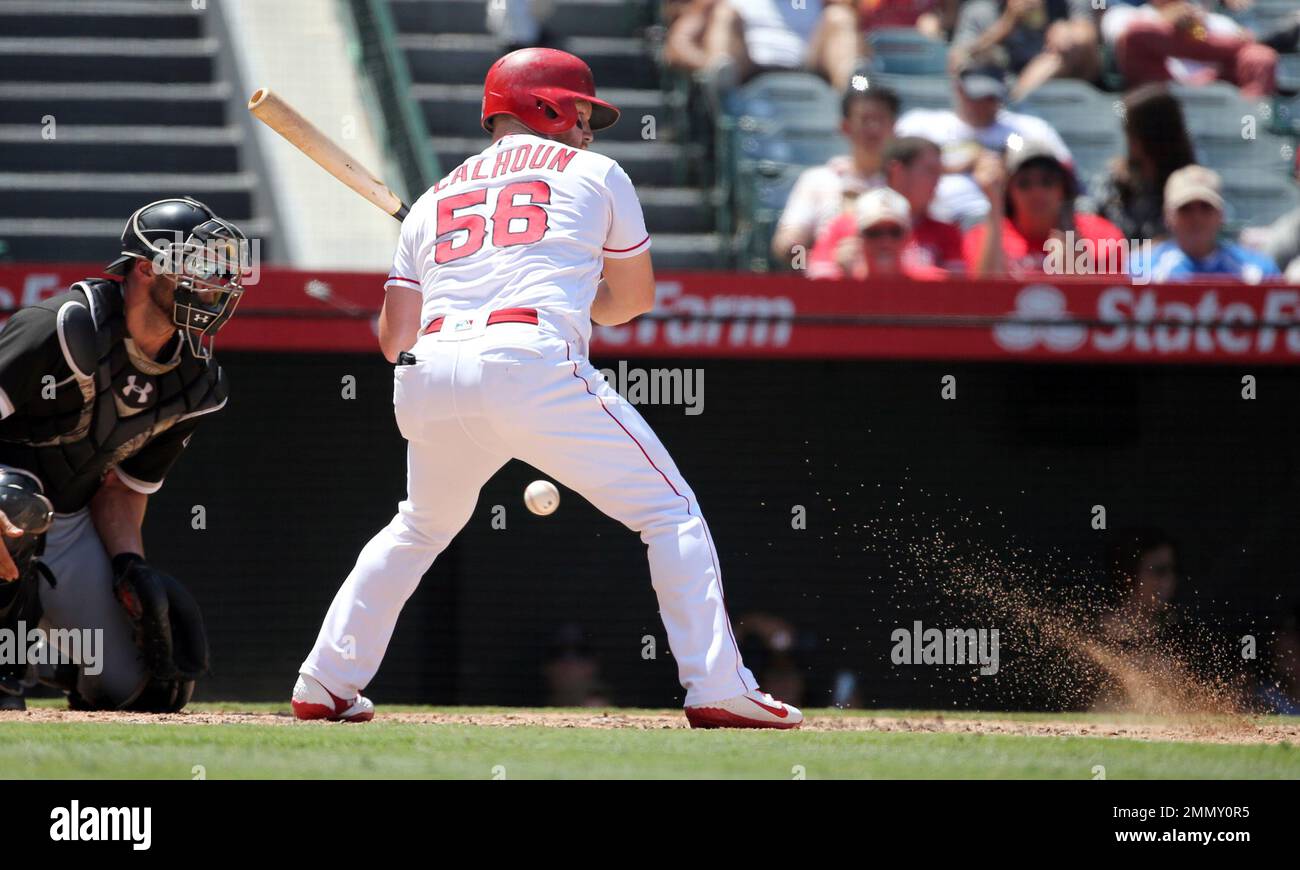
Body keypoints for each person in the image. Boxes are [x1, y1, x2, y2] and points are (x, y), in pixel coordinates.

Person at [293, 48, 802, 730]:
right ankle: (715, 685)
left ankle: (325, 680)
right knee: (669, 512)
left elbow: (392, 342)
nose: (589, 130)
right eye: (583, 112)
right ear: (546, 106)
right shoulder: (598, 174)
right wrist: (567, 278)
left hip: (429, 376)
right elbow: (631, 302)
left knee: (419, 525)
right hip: (528, 360)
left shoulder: (436, 197)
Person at [0, 197, 244, 712]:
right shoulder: (62, 327)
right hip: (9, 499)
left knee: (151, 688)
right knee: (17, 503)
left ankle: (45, 658)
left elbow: (122, 491)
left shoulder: (195, 381)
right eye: (197, 267)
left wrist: (131, 567)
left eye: (218, 270)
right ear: (145, 267)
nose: (213, 283)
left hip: (62, 523)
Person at [895, 61, 1073, 228]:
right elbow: (890, 172)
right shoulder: (921, 125)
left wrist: (1009, 168)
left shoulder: (1026, 129)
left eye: (991, 97)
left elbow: (1065, 173)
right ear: (959, 90)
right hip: (937, 219)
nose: (983, 104)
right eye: (977, 95)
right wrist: (959, 165)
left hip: (1009, 223)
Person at [771, 79, 900, 266]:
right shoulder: (818, 180)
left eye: (881, 119)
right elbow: (789, 243)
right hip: (827, 289)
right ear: (845, 127)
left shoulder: (905, 182)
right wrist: (811, 264)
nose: (873, 129)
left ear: (894, 127)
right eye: (865, 120)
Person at [808, 136, 964, 279]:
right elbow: (809, 277)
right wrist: (841, 272)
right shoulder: (843, 226)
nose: (885, 241)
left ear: (907, 236)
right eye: (873, 233)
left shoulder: (947, 232)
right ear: (897, 171)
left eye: (895, 233)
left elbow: (959, 292)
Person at [965, 138, 1125, 277]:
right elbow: (985, 294)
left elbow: (1107, 301)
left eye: (1047, 181)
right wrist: (995, 203)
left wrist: (1078, 270)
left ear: (1064, 188)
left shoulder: (1103, 237)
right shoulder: (983, 237)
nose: (1037, 192)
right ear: (1008, 192)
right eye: (1024, 183)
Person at [665, 0, 862, 93]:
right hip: (746, 70)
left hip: (810, 66)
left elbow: (856, 39)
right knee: (725, 14)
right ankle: (722, 74)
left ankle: (853, 88)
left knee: (840, 17)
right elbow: (678, 44)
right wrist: (708, 64)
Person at [1133, 164, 1282, 282]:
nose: (1197, 218)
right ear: (1168, 216)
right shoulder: (1141, 272)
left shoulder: (1257, 272)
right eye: (1185, 209)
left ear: (1221, 215)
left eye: (1206, 207)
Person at [1088, 83, 1197, 242]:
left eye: (1132, 132)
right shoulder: (1113, 183)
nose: (1129, 141)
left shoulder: (1190, 186)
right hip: (1113, 263)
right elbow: (1086, 218)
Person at [1103, 0, 1278, 97]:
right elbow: (1131, 39)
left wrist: (1199, 33)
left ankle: (1247, 130)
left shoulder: (1216, 22)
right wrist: (1167, 25)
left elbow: (1249, 47)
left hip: (1218, 101)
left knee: (1260, 56)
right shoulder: (1124, 15)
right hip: (1163, 101)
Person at [951, 0, 1102, 100]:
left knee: (1053, 60)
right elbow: (957, 61)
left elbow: (1087, 33)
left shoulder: (1062, 4)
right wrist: (1005, 26)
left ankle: (1018, 102)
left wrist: (1069, 33)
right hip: (993, 95)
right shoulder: (980, 10)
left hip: (1053, 86)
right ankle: (1016, 103)